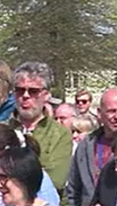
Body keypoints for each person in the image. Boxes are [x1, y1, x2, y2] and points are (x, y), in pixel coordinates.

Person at [9, 62, 73, 192]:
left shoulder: (60, 134)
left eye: (33, 91)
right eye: (20, 90)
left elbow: (56, 180)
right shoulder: (0, 129)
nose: (25, 96)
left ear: (46, 95)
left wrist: (4, 170)